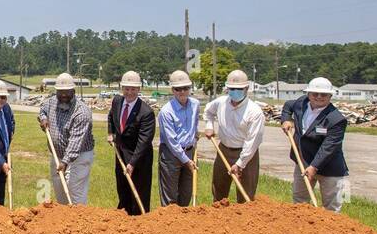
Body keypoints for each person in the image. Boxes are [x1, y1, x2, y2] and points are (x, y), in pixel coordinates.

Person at [281, 76, 349, 212]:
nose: (318, 97)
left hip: (330, 168)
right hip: (303, 161)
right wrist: (286, 119)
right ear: (308, 94)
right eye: (314, 94)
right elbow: (288, 106)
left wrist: (314, 167)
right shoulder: (301, 103)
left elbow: (329, 147)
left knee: (332, 207)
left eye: (323, 94)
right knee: (300, 202)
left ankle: (329, 232)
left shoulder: (336, 119)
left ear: (330, 96)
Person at [204, 69, 264, 203]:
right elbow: (208, 112)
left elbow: (253, 141)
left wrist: (240, 164)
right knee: (219, 189)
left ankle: (243, 220)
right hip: (223, 150)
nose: (234, 92)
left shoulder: (254, 112)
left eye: (239, 89)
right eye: (231, 88)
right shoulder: (220, 103)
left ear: (246, 88)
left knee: (245, 194)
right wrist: (209, 126)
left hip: (246, 154)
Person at [37, 72, 94, 204]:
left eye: (67, 92)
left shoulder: (82, 112)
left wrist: (65, 162)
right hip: (57, 155)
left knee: (74, 189)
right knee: (60, 188)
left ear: (73, 91)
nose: (63, 95)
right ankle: (64, 218)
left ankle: (79, 219)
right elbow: (42, 109)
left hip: (79, 156)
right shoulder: (51, 102)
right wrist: (43, 118)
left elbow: (75, 142)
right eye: (60, 91)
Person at [108, 70, 155, 215]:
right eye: (126, 89)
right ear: (122, 88)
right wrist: (110, 133)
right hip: (121, 153)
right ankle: (124, 217)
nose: (129, 92)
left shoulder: (146, 112)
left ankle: (139, 221)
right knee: (122, 188)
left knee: (139, 191)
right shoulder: (117, 101)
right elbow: (111, 116)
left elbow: (144, 141)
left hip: (140, 158)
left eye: (133, 89)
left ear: (139, 89)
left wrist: (132, 163)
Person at [157, 70, 199, 207]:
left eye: (185, 88)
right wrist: (186, 160)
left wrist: (194, 136)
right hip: (171, 154)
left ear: (190, 88)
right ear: (172, 90)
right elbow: (171, 141)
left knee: (186, 193)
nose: (182, 92)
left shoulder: (195, 104)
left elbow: (194, 124)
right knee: (170, 197)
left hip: (189, 152)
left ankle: (184, 225)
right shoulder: (166, 112)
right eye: (178, 89)